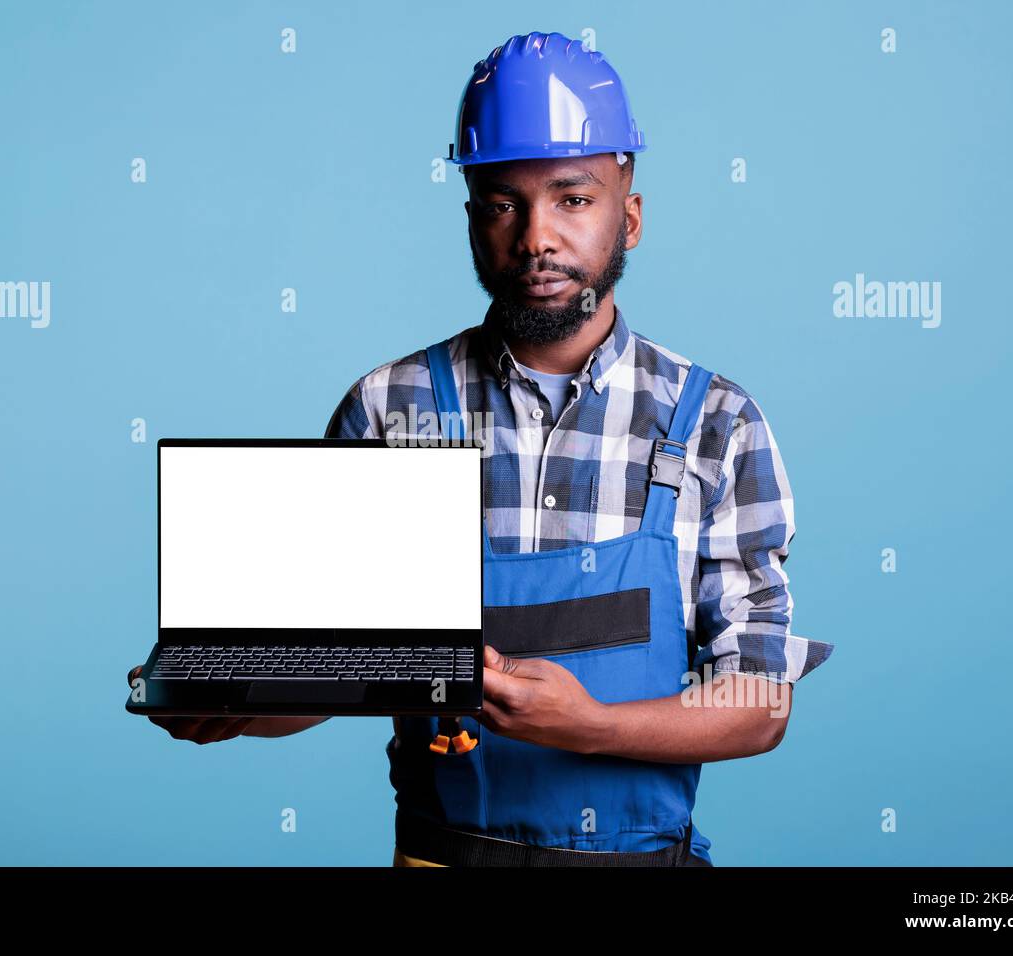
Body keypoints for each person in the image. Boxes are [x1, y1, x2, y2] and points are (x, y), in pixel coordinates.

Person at [129, 30, 833, 867]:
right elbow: (342, 672)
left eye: (573, 199)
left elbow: (760, 701)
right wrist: (236, 698)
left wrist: (591, 727)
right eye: (505, 203)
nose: (537, 237)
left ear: (629, 216)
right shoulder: (390, 409)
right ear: (473, 219)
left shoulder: (716, 423)